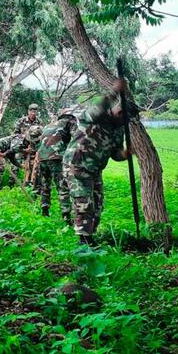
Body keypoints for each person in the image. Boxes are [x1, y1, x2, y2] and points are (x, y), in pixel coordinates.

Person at [63, 83, 130, 246]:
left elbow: (116, 153)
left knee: (98, 204)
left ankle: (90, 235)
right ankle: (83, 241)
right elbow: (101, 104)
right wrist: (115, 91)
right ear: (118, 112)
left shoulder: (118, 129)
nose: (125, 122)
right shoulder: (96, 116)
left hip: (94, 170)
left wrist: (127, 154)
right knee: (84, 202)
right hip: (76, 165)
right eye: (125, 118)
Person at [37, 106, 78, 223]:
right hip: (56, 158)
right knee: (62, 186)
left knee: (45, 184)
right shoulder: (71, 122)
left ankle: (44, 210)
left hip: (42, 158)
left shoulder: (49, 125)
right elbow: (76, 138)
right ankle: (66, 215)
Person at [14, 103, 43, 187]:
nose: (33, 113)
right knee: (15, 165)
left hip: (33, 148)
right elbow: (15, 134)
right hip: (21, 146)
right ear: (28, 111)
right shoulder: (21, 121)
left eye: (35, 112)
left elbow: (41, 135)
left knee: (31, 167)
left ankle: (29, 184)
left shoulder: (39, 122)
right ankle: (12, 184)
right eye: (31, 111)